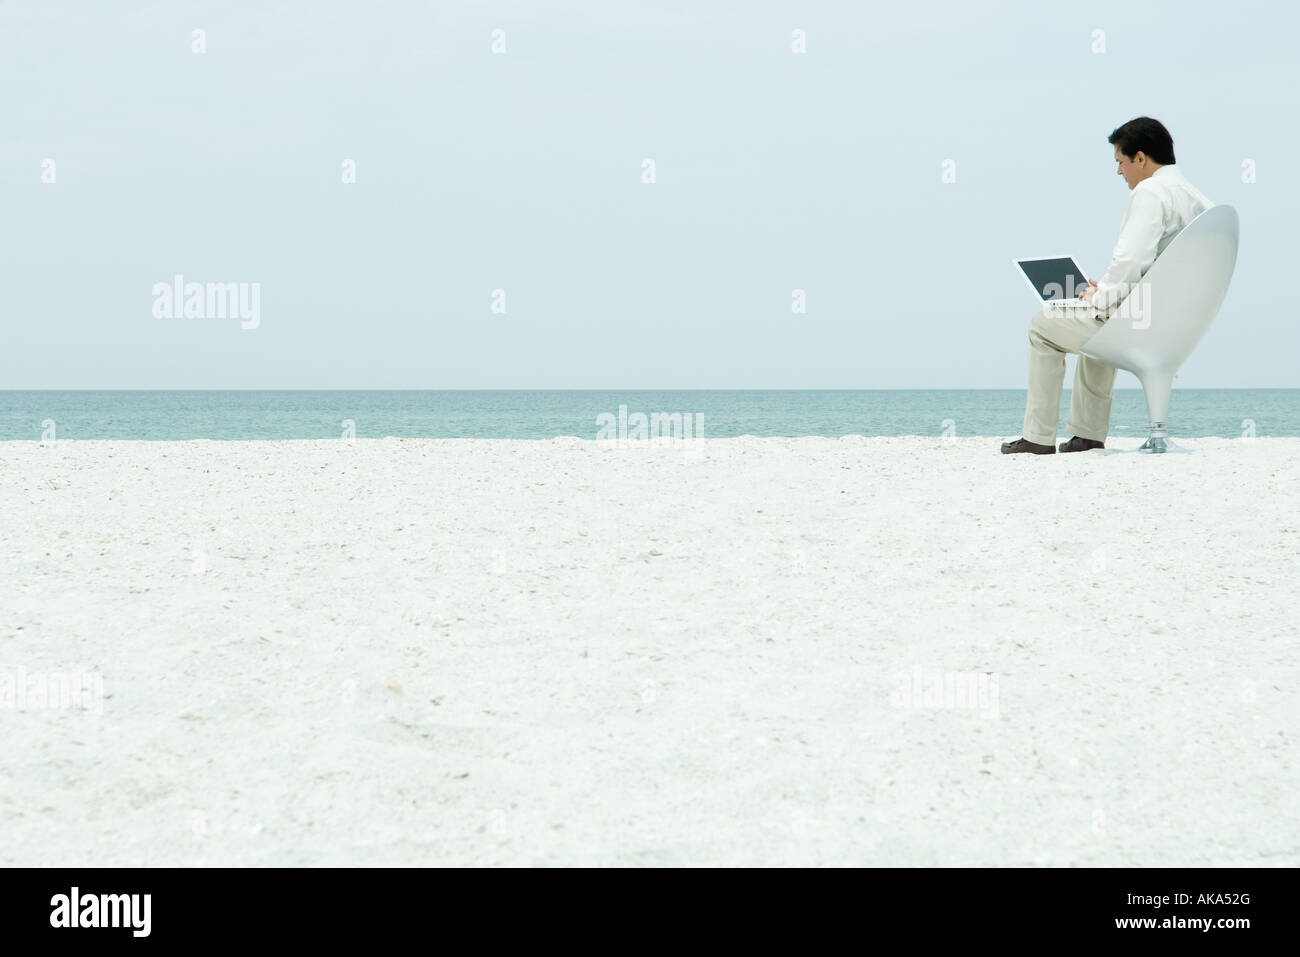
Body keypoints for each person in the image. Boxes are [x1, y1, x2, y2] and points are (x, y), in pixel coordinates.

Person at [1001, 117, 1213, 455]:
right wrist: (1107, 297)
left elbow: (1131, 260)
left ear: (1140, 159)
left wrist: (1099, 298)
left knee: (1043, 326)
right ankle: (1086, 436)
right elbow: (1163, 268)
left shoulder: (1151, 192)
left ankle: (1038, 438)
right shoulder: (1198, 199)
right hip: (1180, 323)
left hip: (1144, 327)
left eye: (1120, 162)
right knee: (1099, 318)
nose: (1119, 172)